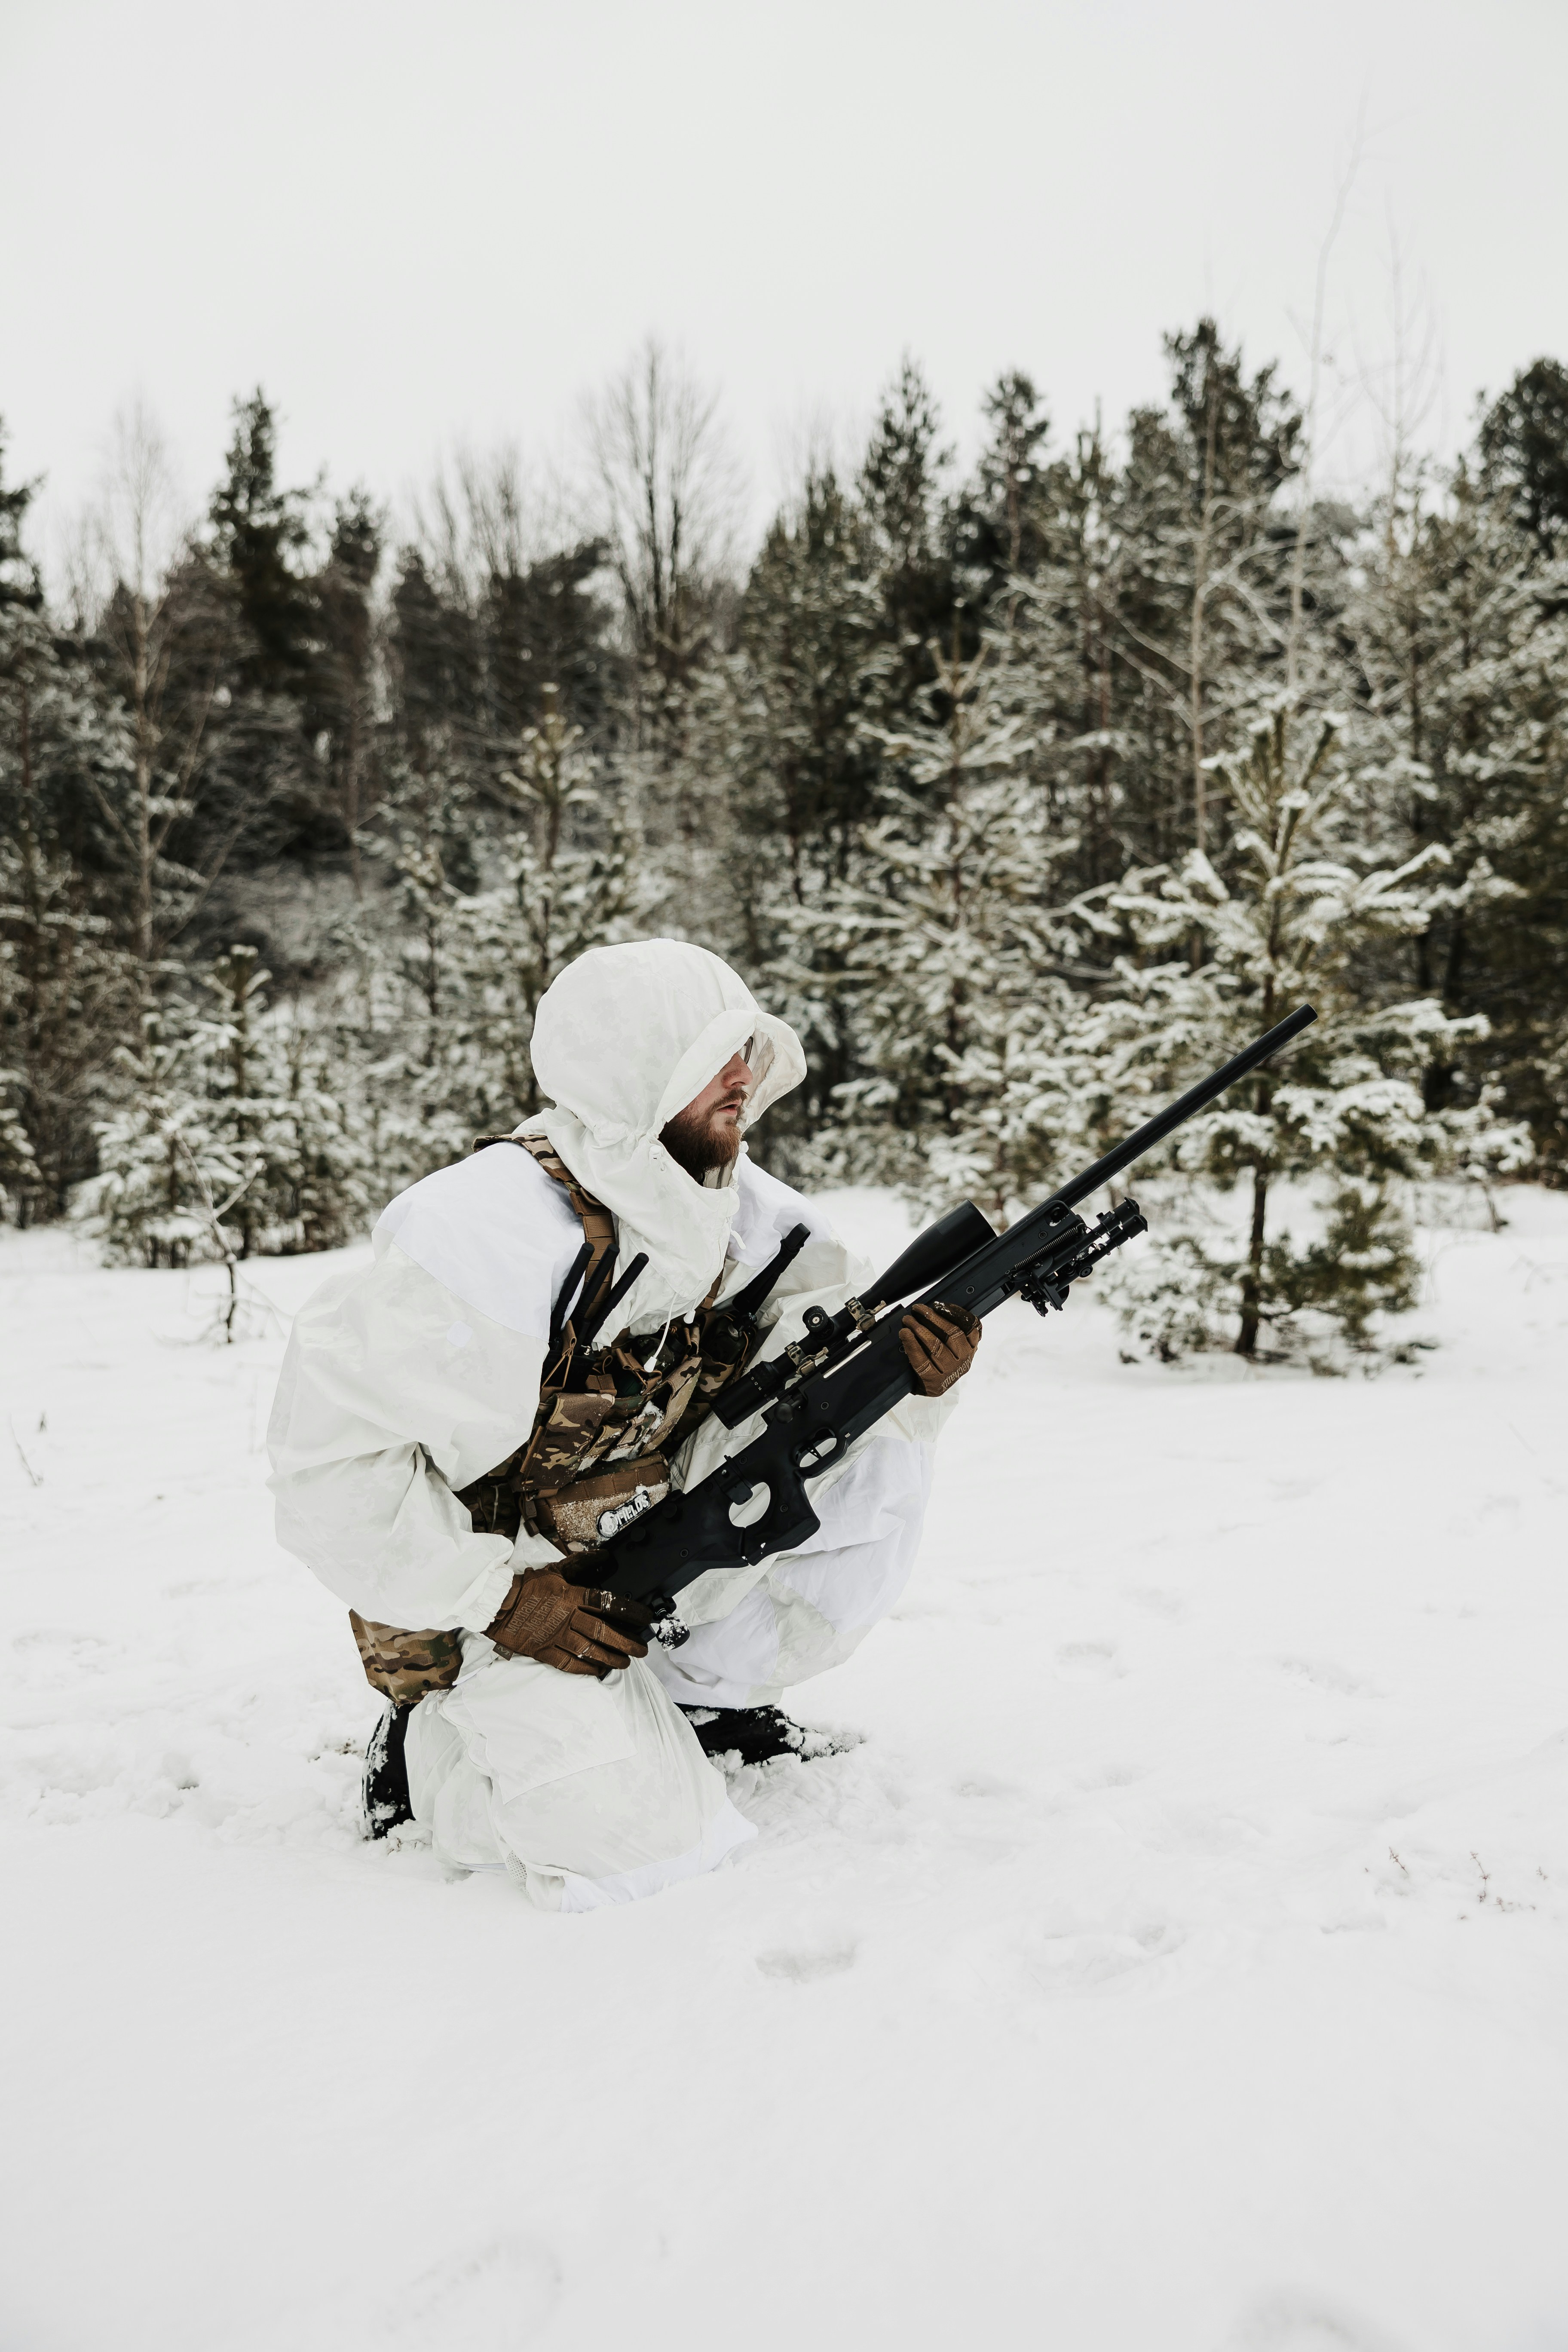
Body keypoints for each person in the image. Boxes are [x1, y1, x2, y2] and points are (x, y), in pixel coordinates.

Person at [267, 940, 980, 1911]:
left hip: (645, 1545)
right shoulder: (482, 1235)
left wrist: (915, 1380)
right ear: (638, 1071)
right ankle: (436, 1756)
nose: (743, 1078)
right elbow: (330, 1475)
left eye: (749, 1051)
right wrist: (502, 1603)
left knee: (870, 1463)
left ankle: (696, 1702)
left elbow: (818, 1382)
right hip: (494, 1609)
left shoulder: (753, 1220)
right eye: (712, 1055)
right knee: (640, 1849)